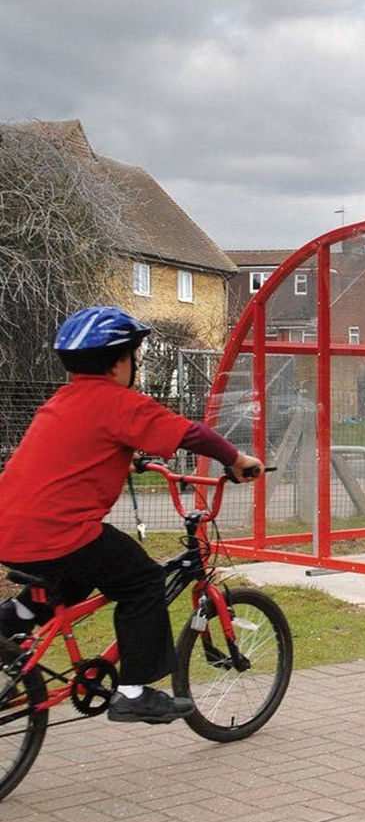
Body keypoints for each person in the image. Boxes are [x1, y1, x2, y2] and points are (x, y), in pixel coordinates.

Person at [0, 306, 263, 724]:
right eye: (133, 357)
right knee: (142, 581)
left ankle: (12, 623)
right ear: (119, 363)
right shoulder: (118, 402)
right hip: (60, 531)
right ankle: (133, 692)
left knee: (75, 577)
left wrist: (130, 458)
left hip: (11, 529)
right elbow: (191, 433)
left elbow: (79, 451)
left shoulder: (61, 402)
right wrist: (237, 459)